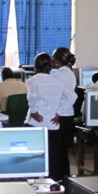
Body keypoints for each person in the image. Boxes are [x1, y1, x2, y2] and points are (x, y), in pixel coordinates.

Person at [27, 53, 68, 181]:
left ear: (35, 66)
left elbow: (32, 97)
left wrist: (33, 111)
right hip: (53, 125)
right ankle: (53, 186)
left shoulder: (32, 80)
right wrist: (59, 112)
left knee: (32, 157)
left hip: (35, 123)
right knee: (52, 159)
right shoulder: (57, 81)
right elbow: (72, 96)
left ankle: (33, 183)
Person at [50, 47, 78, 181]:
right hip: (66, 115)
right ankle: (64, 179)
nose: (51, 60)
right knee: (61, 152)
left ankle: (59, 179)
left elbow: (70, 96)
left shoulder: (62, 74)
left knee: (57, 151)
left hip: (63, 116)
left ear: (58, 60)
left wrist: (58, 113)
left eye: (53, 57)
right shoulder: (67, 72)